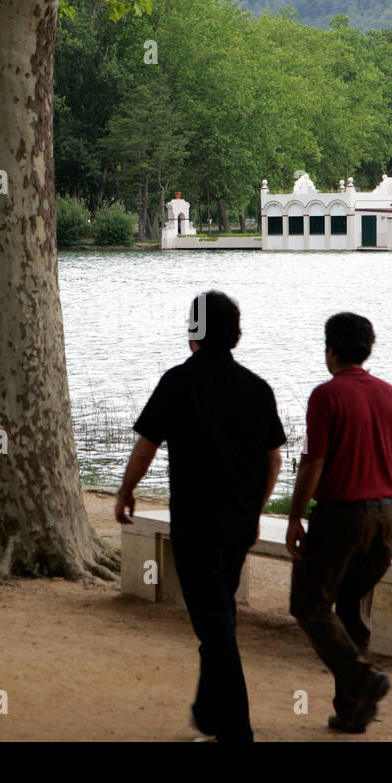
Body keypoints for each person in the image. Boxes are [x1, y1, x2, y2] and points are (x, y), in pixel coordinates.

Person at [115, 290, 286, 742]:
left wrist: (126, 492)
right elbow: (274, 460)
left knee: (214, 625)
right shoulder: (257, 387)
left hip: (194, 523)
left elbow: (146, 447)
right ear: (237, 334)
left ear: (193, 332)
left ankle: (236, 729)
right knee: (219, 616)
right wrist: (257, 508)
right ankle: (210, 717)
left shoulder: (177, 382)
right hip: (239, 525)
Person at [285, 311, 392, 734]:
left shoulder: (326, 396)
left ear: (331, 350)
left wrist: (294, 516)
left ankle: (362, 677)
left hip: (341, 515)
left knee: (308, 601)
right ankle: (353, 712)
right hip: (383, 517)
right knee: (354, 610)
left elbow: (314, 462)